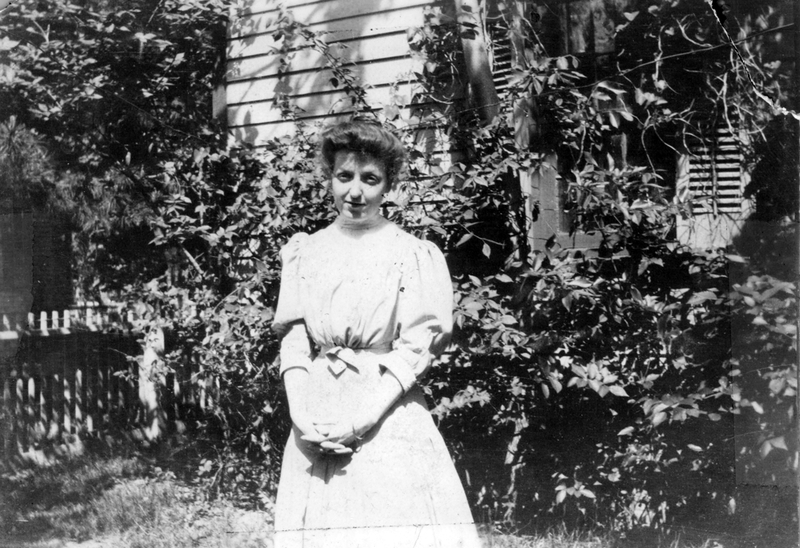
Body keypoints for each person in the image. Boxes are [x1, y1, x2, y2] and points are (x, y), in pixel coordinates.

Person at [271, 119, 483, 548]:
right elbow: (294, 336)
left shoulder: (411, 254)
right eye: (344, 176)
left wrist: (361, 420)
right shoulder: (303, 252)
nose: (355, 192)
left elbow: (415, 348)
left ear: (389, 185)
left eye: (370, 179)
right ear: (329, 178)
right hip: (317, 414)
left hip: (385, 414)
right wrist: (300, 415)